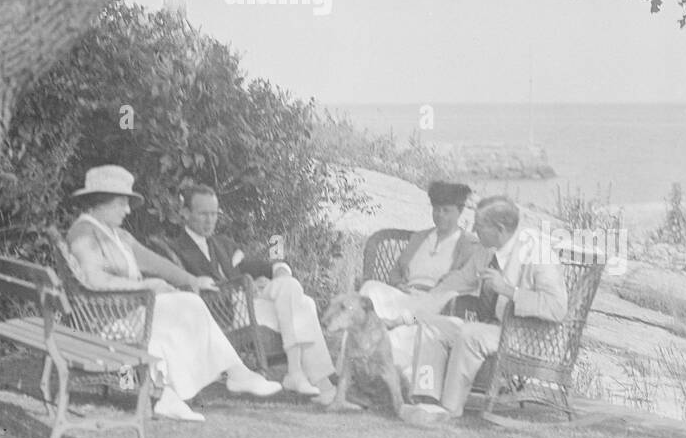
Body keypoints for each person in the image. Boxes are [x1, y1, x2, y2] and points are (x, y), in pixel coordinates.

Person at [67, 166, 282, 423]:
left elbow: (157, 263)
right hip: (105, 322)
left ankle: (171, 396)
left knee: (184, 309)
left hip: (129, 313)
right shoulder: (84, 233)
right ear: (100, 202)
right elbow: (94, 281)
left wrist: (192, 280)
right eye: (121, 203)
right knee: (186, 305)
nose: (127, 210)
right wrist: (147, 286)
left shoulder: (118, 235)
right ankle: (233, 374)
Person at [167, 184, 337, 403]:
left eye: (214, 214)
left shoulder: (223, 243)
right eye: (203, 214)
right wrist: (246, 286)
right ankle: (316, 382)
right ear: (185, 213)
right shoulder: (176, 249)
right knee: (304, 305)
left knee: (293, 290)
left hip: (249, 307)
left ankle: (299, 374)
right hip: (224, 314)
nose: (210, 221)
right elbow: (192, 289)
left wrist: (280, 271)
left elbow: (259, 265)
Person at [425, 195, 568, 421]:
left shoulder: (537, 252)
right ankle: (425, 398)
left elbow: (557, 307)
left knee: (469, 334)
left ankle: (449, 409)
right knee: (432, 326)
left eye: (479, 226)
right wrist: (427, 299)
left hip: (528, 335)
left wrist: (508, 290)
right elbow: (462, 279)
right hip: (495, 329)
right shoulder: (488, 249)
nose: (473, 230)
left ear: (500, 229)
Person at [361, 180, 480, 325]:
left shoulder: (468, 245)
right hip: (406, 295)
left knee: (442, 300)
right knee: (371, 287)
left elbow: (464, 283)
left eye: (446, 210)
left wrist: (432, 293)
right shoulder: (419, 237)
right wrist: (399, 284)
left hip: (435, 302)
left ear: (459, 211)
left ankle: (397, 322)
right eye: (436, 209)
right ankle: (376, 325)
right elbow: (396, 270)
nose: (440, 215)